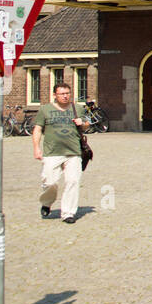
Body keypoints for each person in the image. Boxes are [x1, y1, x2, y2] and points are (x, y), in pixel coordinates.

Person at [32, 81, 91, 224]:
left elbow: (87, 125)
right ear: (54, 95)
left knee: (72, 181)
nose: (65, 96)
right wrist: (36, 147)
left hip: (73, 151)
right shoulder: (45, 110)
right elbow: (38, 129)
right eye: (62, 94)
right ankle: (47, 202)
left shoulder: (77, 108)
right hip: (52, 152)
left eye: (67, 93)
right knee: (50, 182)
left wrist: (81, 123)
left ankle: (68, 213)